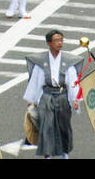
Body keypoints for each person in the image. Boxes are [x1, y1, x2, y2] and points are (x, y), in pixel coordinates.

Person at [24, 29, 80, 160]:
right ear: (49, 43)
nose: (59, 43)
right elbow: (36, 81)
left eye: (61, 40)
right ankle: (47, 156)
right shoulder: (42, 62)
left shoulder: (67, 61)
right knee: (46, 127)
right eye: (56, 40)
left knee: (64, 126)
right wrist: (32, 100)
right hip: (47, 97)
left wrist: (75, 99)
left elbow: (72, 81)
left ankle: (64, 154)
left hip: (62, 96)